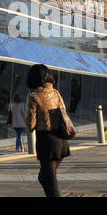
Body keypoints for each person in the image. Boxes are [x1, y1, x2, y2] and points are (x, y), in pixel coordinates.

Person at [24, 63, 70, 197]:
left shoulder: (33, 95)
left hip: (47, 141)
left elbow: (31, 124)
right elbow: (64, 113)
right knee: (44, 177)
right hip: (61, 139)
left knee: (50, 180)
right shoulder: (56, 92)